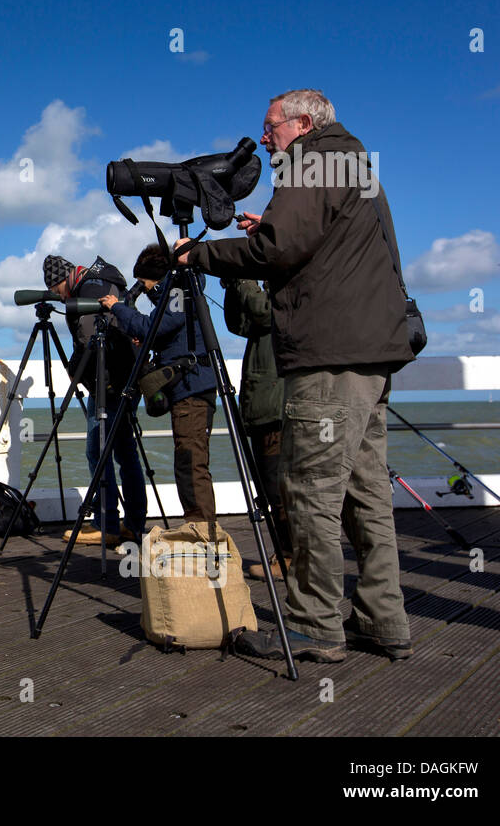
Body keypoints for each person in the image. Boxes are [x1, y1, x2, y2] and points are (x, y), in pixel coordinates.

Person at [177, 88, 414, 663]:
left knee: (309, 489)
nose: (264, 139)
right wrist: (271, 231)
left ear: (302, 123)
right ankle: (384, 620)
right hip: (370, 354)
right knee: (366, 494)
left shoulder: (310, 162)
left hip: (329, 357)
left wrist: (197, 256)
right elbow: (313, 241)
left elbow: (280, 248)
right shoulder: (351, 164)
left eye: (271, 126)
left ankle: (313, 624)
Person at [100, 244, 218, 527]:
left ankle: (201, 530)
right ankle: (199, 527)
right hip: (192, 388)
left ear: (155, 275)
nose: (143, 288)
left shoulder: (178, 291)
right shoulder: (181, 289)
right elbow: (165, 328)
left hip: (192, 389)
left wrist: (117, 308)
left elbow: (149, 327)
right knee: (189, 459)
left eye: (144, 282)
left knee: (190, 462)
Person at [44, 255, 147, 547]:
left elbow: (90, 341)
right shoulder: (107, 280)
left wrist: (76, 370)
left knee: (97, 453)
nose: (58, 296)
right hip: (128, 376)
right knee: (126, 453)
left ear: (64, 279)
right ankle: (135, 524)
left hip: (108, 381)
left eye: (56, 289)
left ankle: (106, 524)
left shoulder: (88, 292)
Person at [221, 276, 292, 579]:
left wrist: (243, 278)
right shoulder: (271, 286)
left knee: (277, 484)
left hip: (277, 404)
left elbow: (264, 311)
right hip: (265, 400)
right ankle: (286, 552)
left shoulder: (287, 285)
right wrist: (233, 286)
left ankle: (289, 556)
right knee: (267, 483)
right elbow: (240, 325)